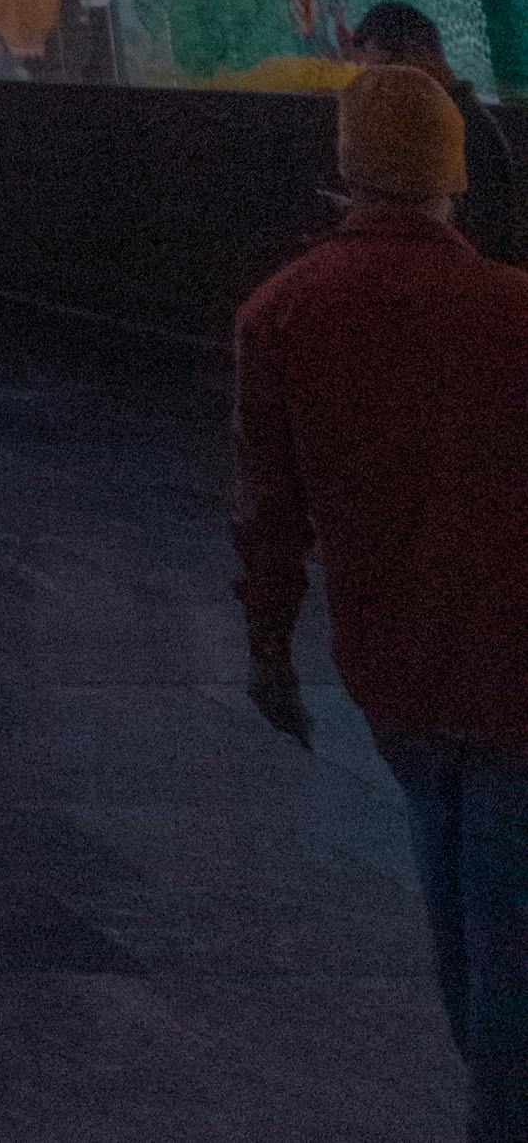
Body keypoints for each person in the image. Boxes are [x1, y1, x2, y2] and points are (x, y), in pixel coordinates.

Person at [233, 59, 528, 1138]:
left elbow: (269, 511)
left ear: (348, 175)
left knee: (459, 926)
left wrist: (269, 651)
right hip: (515, 676)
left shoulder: (282, 312)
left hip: (395, 676)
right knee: (509, 949)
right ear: (453, 178)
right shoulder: (512, 312)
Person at [358, 0, 521, 267]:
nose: (375, 86)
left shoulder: (449, 127)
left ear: (407, 58)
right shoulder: (464, 116)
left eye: (376, 71)